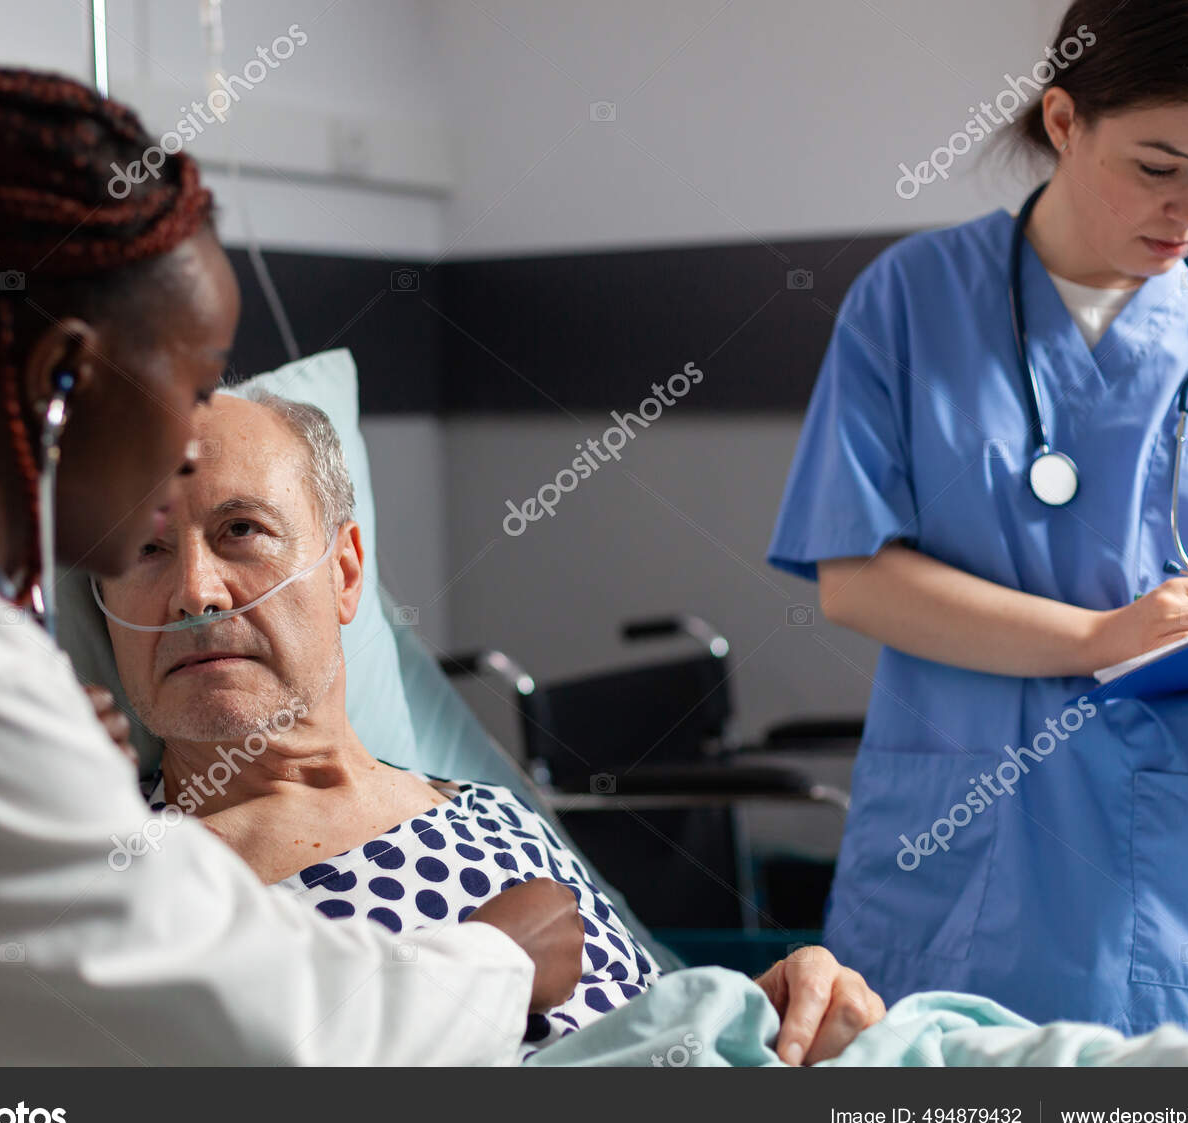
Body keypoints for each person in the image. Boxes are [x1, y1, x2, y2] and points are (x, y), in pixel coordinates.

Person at [0, 68, 587, 1066]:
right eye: (195, 384)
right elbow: (262, 1040)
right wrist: (494, 959)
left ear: (347, 573)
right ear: (62, 383)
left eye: (245, 532)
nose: (192, 443)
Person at [768, 0, 1188, 1035]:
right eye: (1159, 167)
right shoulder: (911, 302)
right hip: (970, 855)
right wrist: (1100, 639)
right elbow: (853, 574)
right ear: (1063, 121)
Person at [94, 387, 888, 1063]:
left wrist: (772, 1009)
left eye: (241, 531)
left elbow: (629, 1031)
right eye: (146, 548)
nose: (197, 590)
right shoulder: (124, 875)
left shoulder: (490, 814)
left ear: (343, 574)